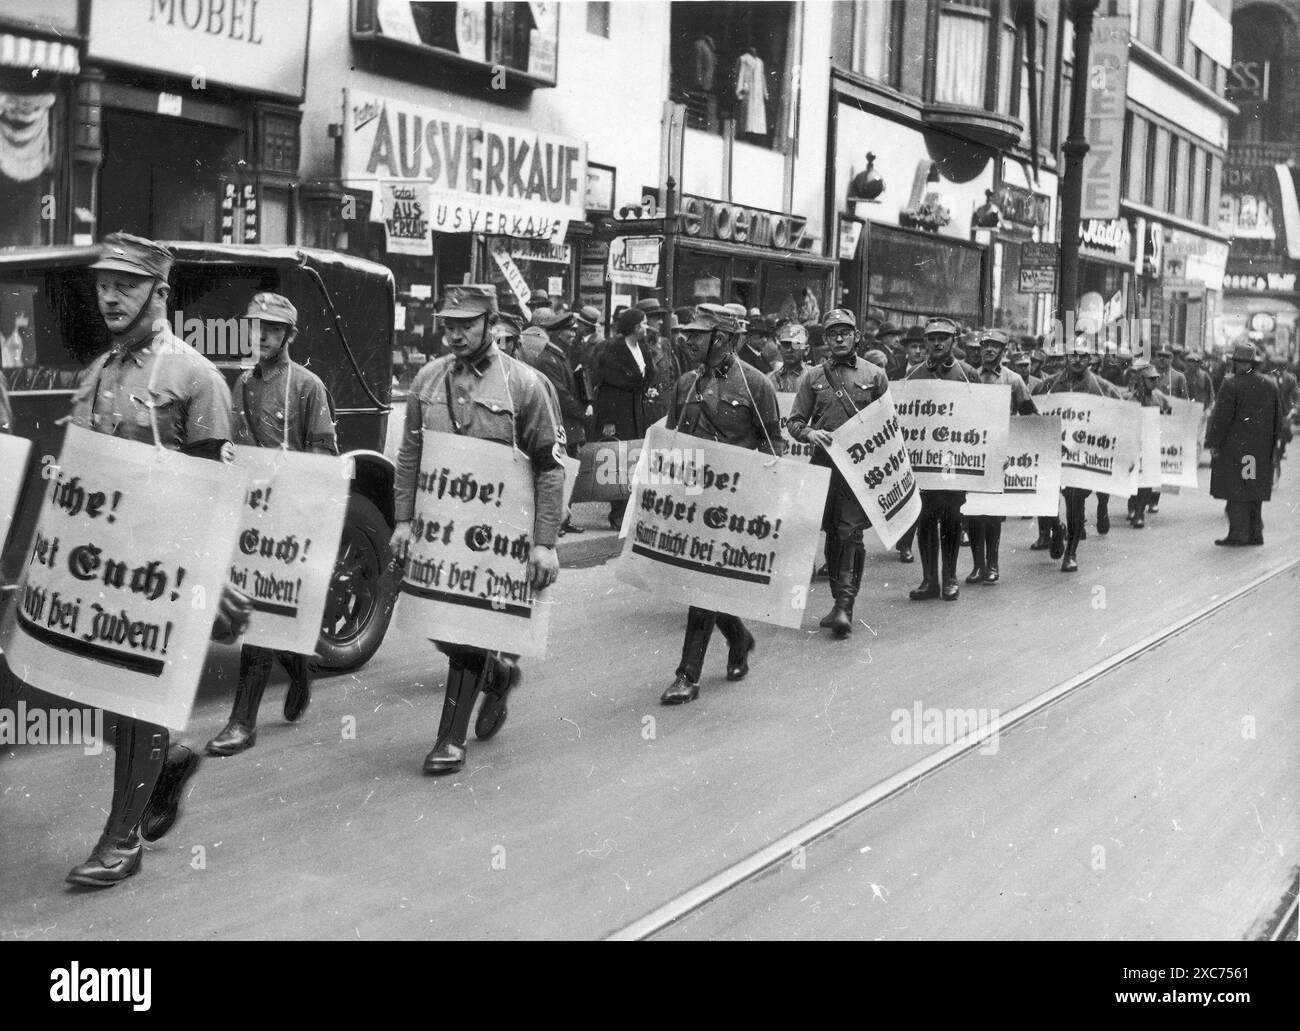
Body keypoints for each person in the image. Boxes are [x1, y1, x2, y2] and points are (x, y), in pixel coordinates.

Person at [63, 232, 243, 886]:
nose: (109, 295)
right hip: (99, 570)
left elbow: (215, 493)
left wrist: (214, 579)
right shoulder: (97, 373)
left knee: (136, 698)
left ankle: (122, 839)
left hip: (164, 571)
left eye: (126, 284)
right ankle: (167, 763)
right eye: (103, 283)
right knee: (84, 690)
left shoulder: (197, 378)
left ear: (160, 292)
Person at [390, 284, 564, 774]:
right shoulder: (427, 380)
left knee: (464, 630)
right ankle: (497, 673)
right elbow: (410, 456)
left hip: (503, 532)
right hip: (443, 530)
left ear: (492, 324)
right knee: (437, 624)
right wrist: (403, 520)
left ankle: (450, 739)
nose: (455, 332)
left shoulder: (524, 385)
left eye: (466, 323)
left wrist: (545, 544)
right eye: (448, 323)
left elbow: (549, 466)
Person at [204, 293, 339, 757]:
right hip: (251, 517)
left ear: (288, 336)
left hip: (291, 517)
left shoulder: (307, 385)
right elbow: (240, 445)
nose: (261, 337)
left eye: (272, 330)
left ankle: (242, 722)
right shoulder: (242, 384)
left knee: (262, 618)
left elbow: (325, 452)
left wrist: (293, 476)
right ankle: (298, 670)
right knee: (256, 611)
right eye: (255, 328)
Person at [660, 304, 781, 704]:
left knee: (705, 584)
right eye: (688, 333)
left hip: (735, 505)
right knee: (704, 582)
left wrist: (762, 500)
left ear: (723, 339)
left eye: (698, 334)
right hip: (693, 501)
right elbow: (675, 439)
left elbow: (772, 447)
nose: (688, 339)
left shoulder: (755, 384)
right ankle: (740, 639)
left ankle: (687, 675)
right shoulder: (685, 384)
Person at [787, 308, 889, 636]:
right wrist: (809, 433)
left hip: (859, 469)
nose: (840, 338)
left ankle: (846, 604)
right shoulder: (813, 377)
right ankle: (836, 602)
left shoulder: (875, 376)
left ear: (857, 336)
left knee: (850, 532)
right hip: (825, 466)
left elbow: (889, 427)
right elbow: (794, 422)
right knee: (831, 532)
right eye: (833, 334)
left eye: (846, 332)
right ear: (826, 340)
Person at [906, 318, 973, 600]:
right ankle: (929, 579)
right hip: (923, 463)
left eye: (943, 338)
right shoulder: (914, 376)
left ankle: (950, 577)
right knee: (925, 520)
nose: (936, 343)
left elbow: (983, 417)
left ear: (953, 341)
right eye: (931, 338)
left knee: (951, 520)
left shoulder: (967, 374)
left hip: (954, 462)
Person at [1032, 336, 1111, 572]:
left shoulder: (1101, 388)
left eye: (1083, 356)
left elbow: (1115, 417)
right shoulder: (1047, 386)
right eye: (1073, 355)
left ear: (1090, 359)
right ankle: (1057, 528)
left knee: (1075, 502)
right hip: (1052, 452)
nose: (1077, 360)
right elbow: (1032, 411)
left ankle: (1071, 552)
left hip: (1080, 456)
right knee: (1045, 497)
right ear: (1065, 357)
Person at [964, 329, 1036, 584]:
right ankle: (977, 565)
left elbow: (1029, 414)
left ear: (1003, 352)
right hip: (971, 453)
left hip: (998, 454)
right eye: (985, 346)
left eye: (994, 346)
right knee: (971, 512)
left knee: (992, 513)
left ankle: (992, 564)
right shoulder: (968, 375)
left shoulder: (1013, 380)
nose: (988, 350)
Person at [1205, 342, 1285, 546]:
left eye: (1237, 362)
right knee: (1253, 490)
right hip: (1260, 451)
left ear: (1240, 363)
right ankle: (1255, 534)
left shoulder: (1231, 384)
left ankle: (1238, 534)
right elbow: (1279, 419)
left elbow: (1221, 418)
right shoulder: (1270, 383)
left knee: (1236, 490)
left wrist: (1214, 443)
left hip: (1235, 449)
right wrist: (1272, 445)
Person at [594, 303, 655, 529]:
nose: (647, 327)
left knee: (634, 461)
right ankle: (617, 512)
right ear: (634, 326)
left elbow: (647, 375)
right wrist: (608, 421)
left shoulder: (642, 347)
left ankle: (630, 509)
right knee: (619, 461)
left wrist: (646, 388)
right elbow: (606, 387)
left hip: (636, 410)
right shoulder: (614, 349)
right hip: (618, 412)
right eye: (644, 323)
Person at [533, 310, 588, 535]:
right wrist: (582, 412)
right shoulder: (549, 358)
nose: (572, 335)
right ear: (556, 334)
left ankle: (564, 519)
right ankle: (556, 522)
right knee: (558, 474)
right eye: (569, 331)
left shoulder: (559, 355)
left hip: (568, 424)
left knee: (568, 472)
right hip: (561, 423)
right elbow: (561, 395)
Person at [1122, 358, 1173, 529]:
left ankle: (1139, 513)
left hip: (1151, 443)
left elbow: (1169, 411)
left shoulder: (1159, 398)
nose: (1155, 382)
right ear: (1142, 380)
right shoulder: (1131, 398)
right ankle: (1132, 506)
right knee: (1133, 477)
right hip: (1134, 443)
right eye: (1150, 379)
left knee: (1147, 479)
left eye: (1156, 378)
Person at [768, 322, 810, 393]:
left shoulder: (815, 377)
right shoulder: (770, 379)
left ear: (806, 350)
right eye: (785, 345)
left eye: (796, 345)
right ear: (779, 348)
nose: (789, 350)